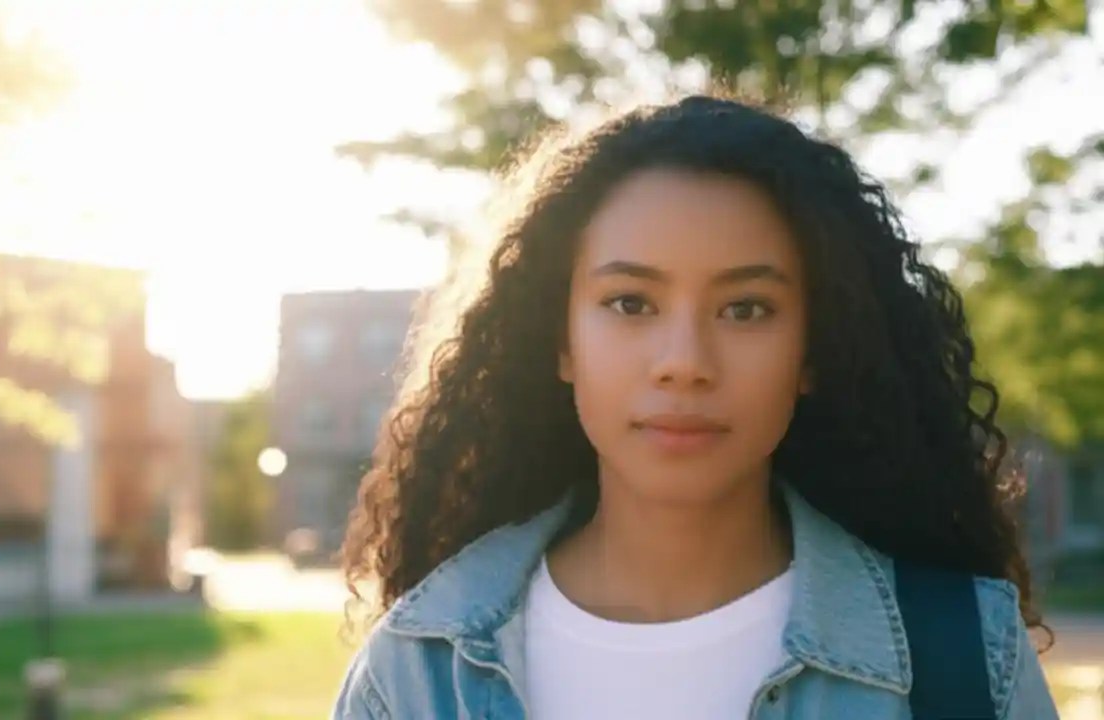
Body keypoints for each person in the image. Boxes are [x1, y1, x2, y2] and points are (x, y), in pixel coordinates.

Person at [330, 94, 1059, 719]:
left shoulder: (964, 654)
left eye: (746, 309)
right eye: (630, 303)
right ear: (560, 342)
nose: (684, 362)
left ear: (813, 350)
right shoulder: (420, 670)